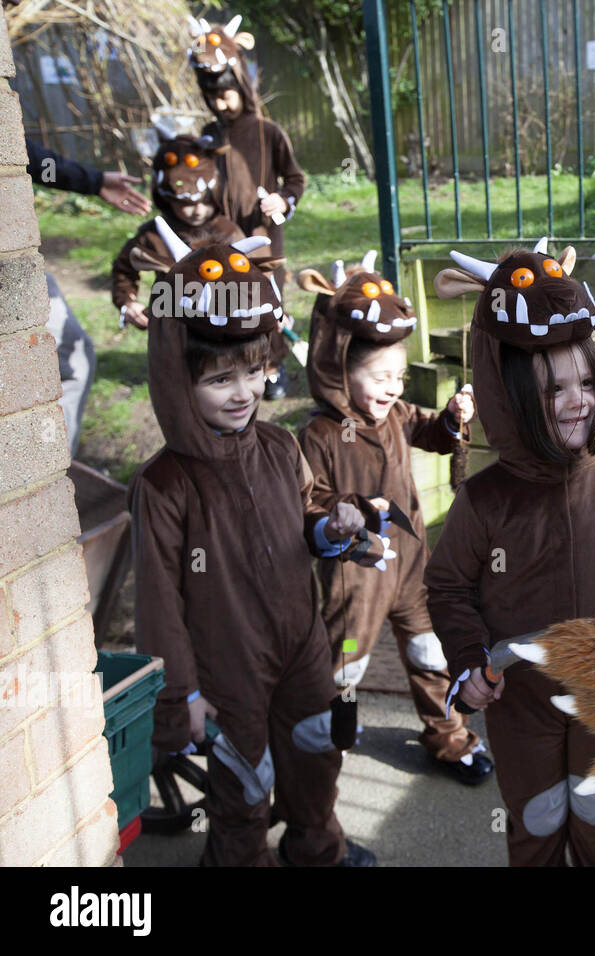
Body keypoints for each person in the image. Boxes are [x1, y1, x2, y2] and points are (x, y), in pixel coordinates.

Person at [129, 222, 376, 866]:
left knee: (318, 751)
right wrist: (179, 690)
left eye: (254, 372)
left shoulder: (279, 445)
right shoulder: (164, 485)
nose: (242, 393)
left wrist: (335, 526)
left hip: (302, 644)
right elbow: (157, 600)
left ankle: (316, 847)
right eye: (218, 381)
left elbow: (309, 519)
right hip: (225, 665)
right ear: (178, 378)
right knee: (243, 784)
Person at [425, 241, 595, 866]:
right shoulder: (486, 500)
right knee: (537, 823)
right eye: (553, 390)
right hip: (521, 702)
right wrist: (468, 660)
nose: (577, 399)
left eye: (585, 381)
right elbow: (447, 587)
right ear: (513, 394)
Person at [295, 252, 494, 784]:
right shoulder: (317, 435)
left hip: (412, 570)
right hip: (354, 578)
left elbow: (430, 431)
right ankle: (329, 741)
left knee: (432, 653)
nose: (393, 388)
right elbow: (309, 499)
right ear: (340, 372)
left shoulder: (397, 415)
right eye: (379, 377)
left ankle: (450, 738)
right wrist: (337, 516)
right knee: (347, 661)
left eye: (399, 376)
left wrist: (453, 419)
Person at [192, 27, 304, 400]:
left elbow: (295, 179)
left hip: (263, 238)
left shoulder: (267, 132)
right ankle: (236, 367)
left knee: (267, 300)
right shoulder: (208, 137)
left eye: (225, 95)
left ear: (241, 85)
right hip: (221, 237)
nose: (220, 104)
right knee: (228, 299)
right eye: (212, 97)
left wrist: (281, 200)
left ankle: (272, 367)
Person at [25, 138, 150, 455]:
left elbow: (34, 163)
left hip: (17, 271)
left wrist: (94, 182)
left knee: (74, 360)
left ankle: (53, 468)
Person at [111, 133, 252, 330]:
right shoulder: (155, 234)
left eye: (205, 201)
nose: (198, 210)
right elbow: (124, 268)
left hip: (222, 327)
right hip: (171, 326)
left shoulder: (227, 231)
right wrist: (128, 302)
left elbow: (257, 274)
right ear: (167, 199)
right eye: (187, 203)